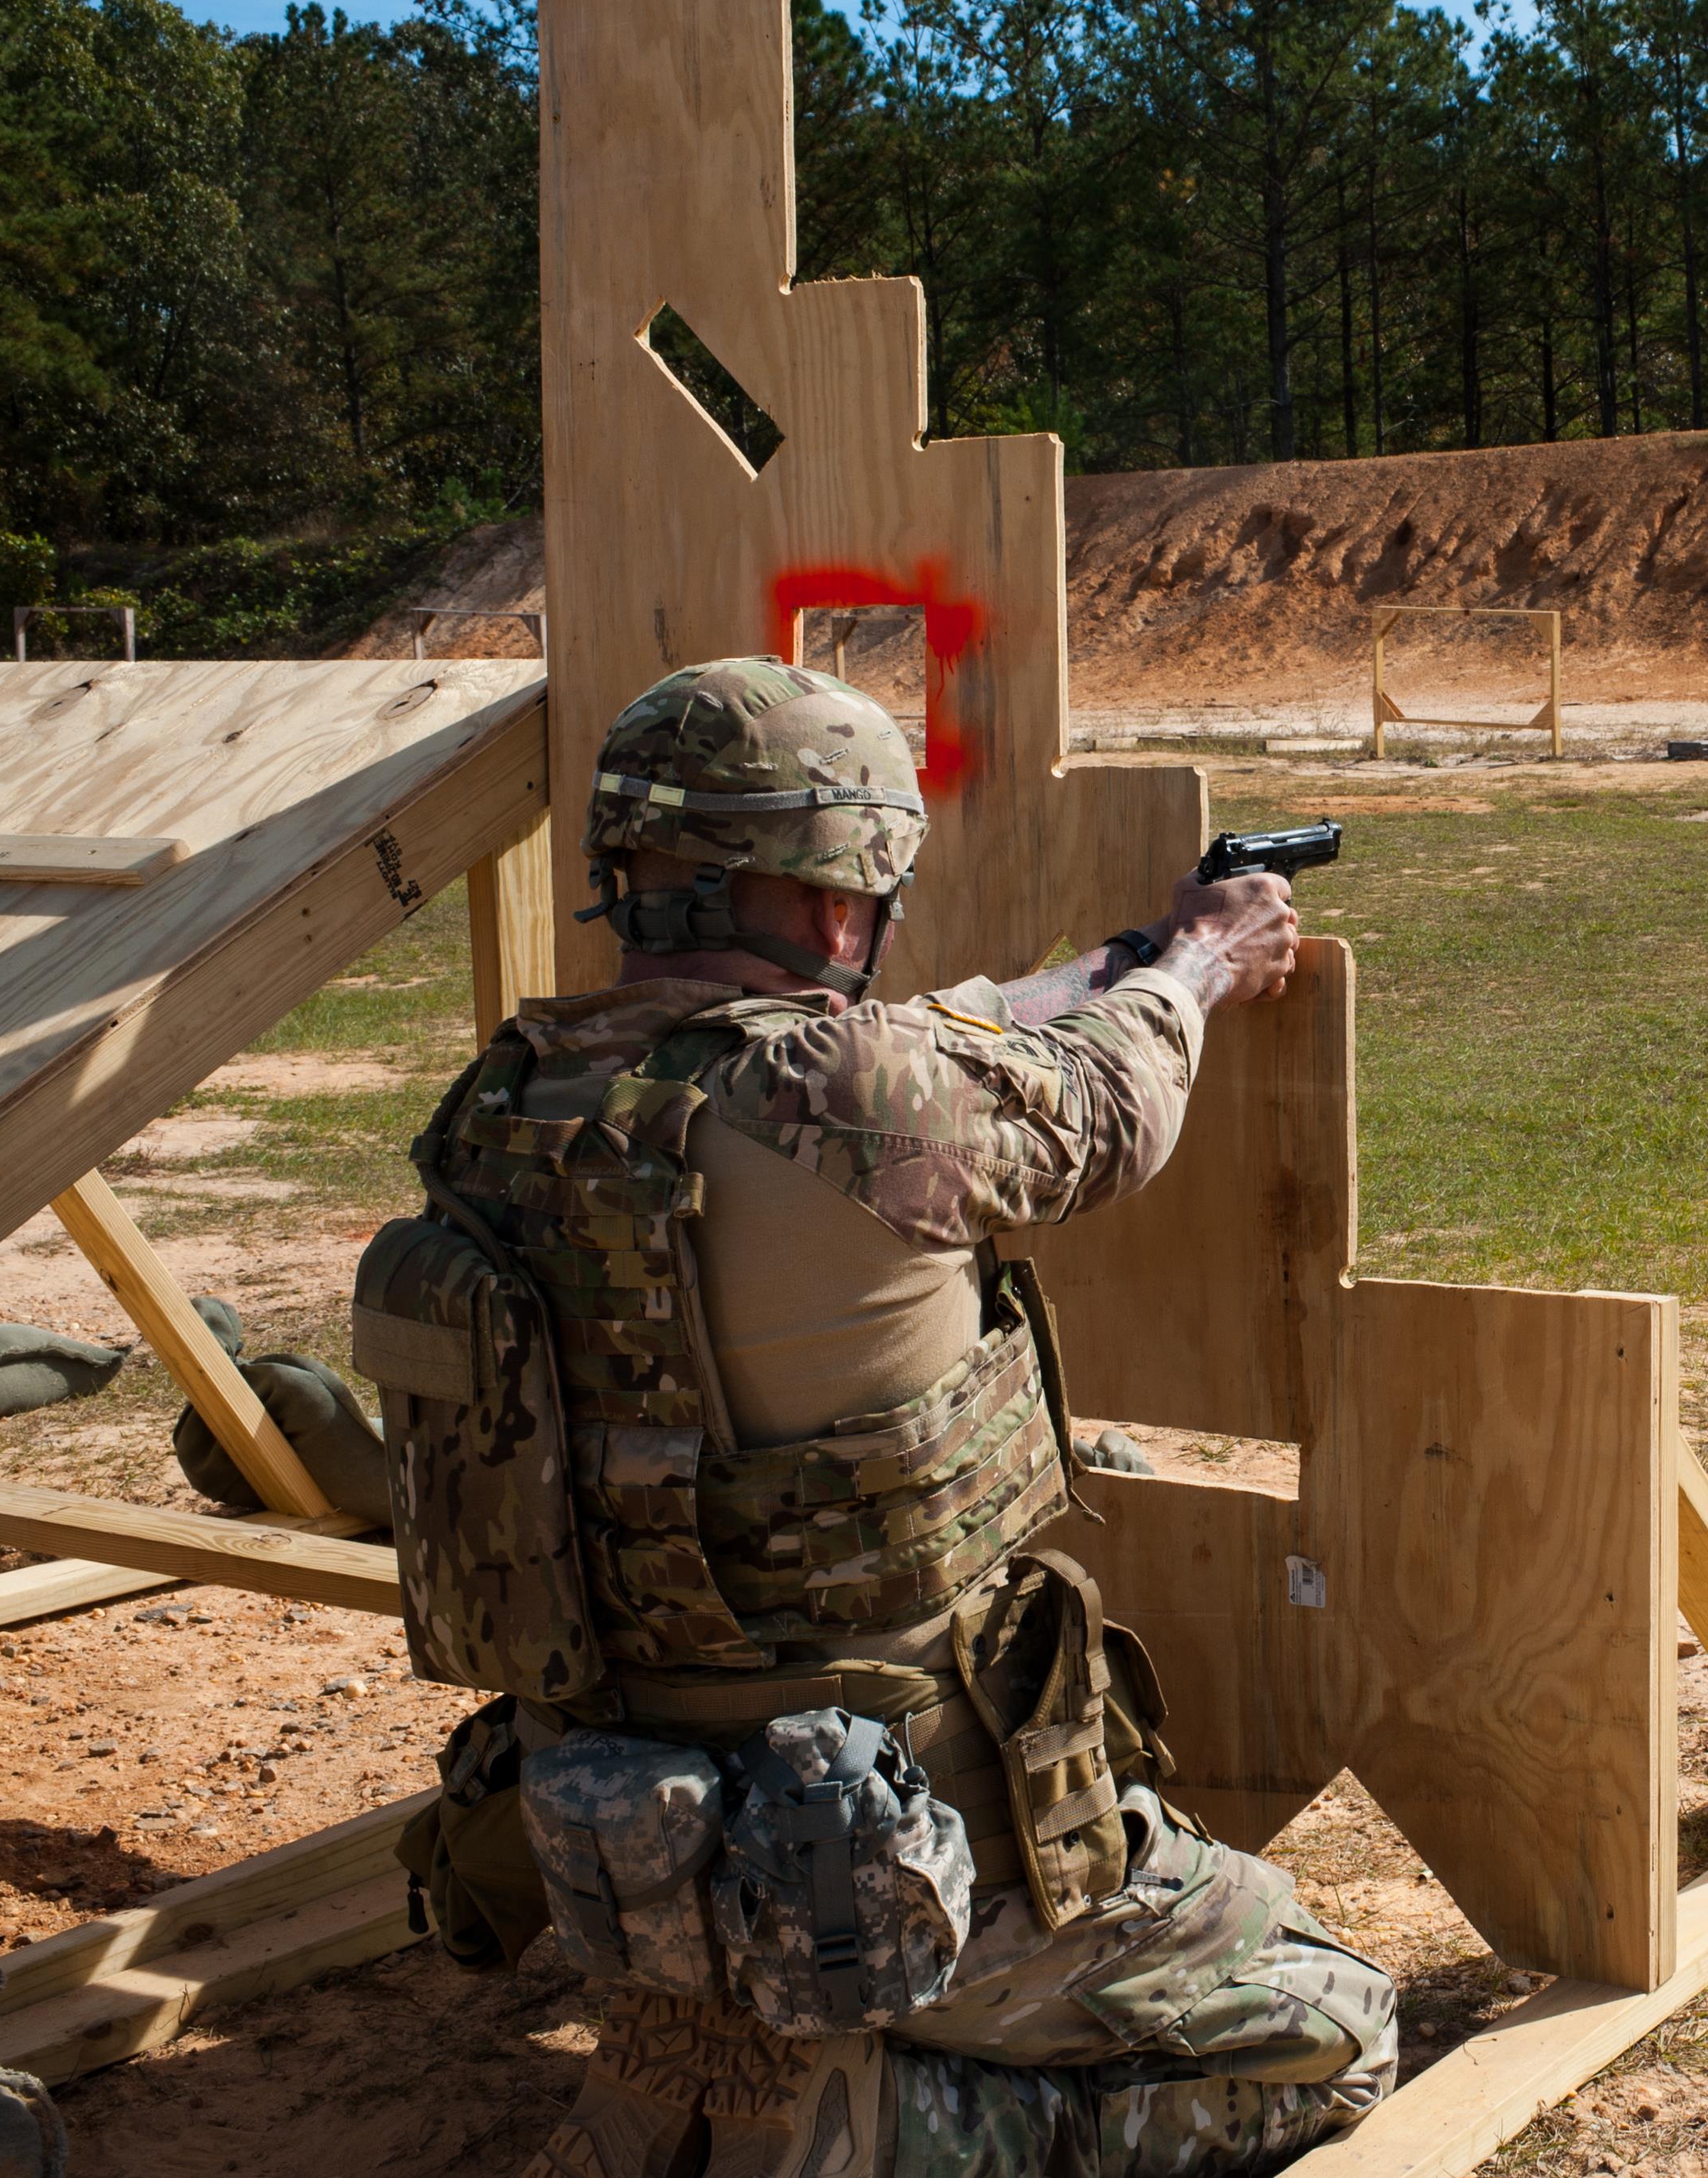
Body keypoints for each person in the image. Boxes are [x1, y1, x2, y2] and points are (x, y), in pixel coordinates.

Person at [387, 657, 1393, 2178]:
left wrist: (1110, 959)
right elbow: (1102, 1106)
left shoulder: (502, 1105)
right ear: (839, 895)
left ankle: (751, 2045)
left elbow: (923, 1047)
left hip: (630, 1843)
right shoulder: (859, 1092)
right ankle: (892, 2134)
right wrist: (1197, 962)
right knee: (1333, 2027)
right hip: (907, 1856)